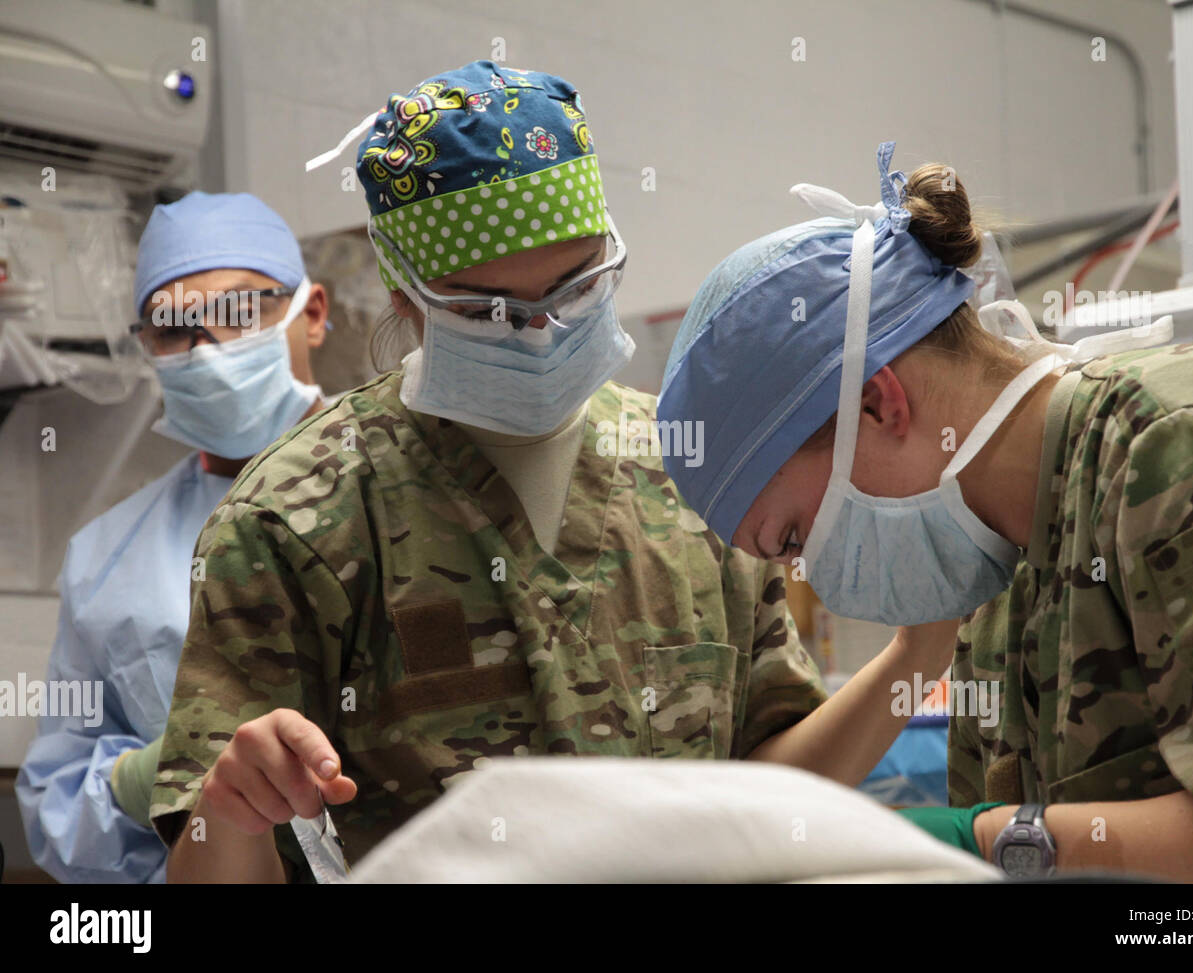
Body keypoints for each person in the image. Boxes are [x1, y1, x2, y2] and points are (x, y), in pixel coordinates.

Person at [154, 61, 916, 884]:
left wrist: (920, 648)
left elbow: (773, 798)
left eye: (577, 286)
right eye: (488, 312)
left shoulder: (691, 468)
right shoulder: (295, 518)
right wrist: (232, 804)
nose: (543, 332)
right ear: (404, 297)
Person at [655, 140, 1193, 881]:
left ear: (877, 402)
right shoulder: (996, 581)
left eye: (794, 537)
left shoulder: (1183, 443)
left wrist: (987, 837)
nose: (813, 574)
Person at [16, 192, 329, 883]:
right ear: (146, 345)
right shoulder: (107, 558)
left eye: (237, 313)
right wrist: (137, 780)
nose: (205, 350)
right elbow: (55, 800)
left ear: (312, 314)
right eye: (173, 327)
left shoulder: (411, 478)